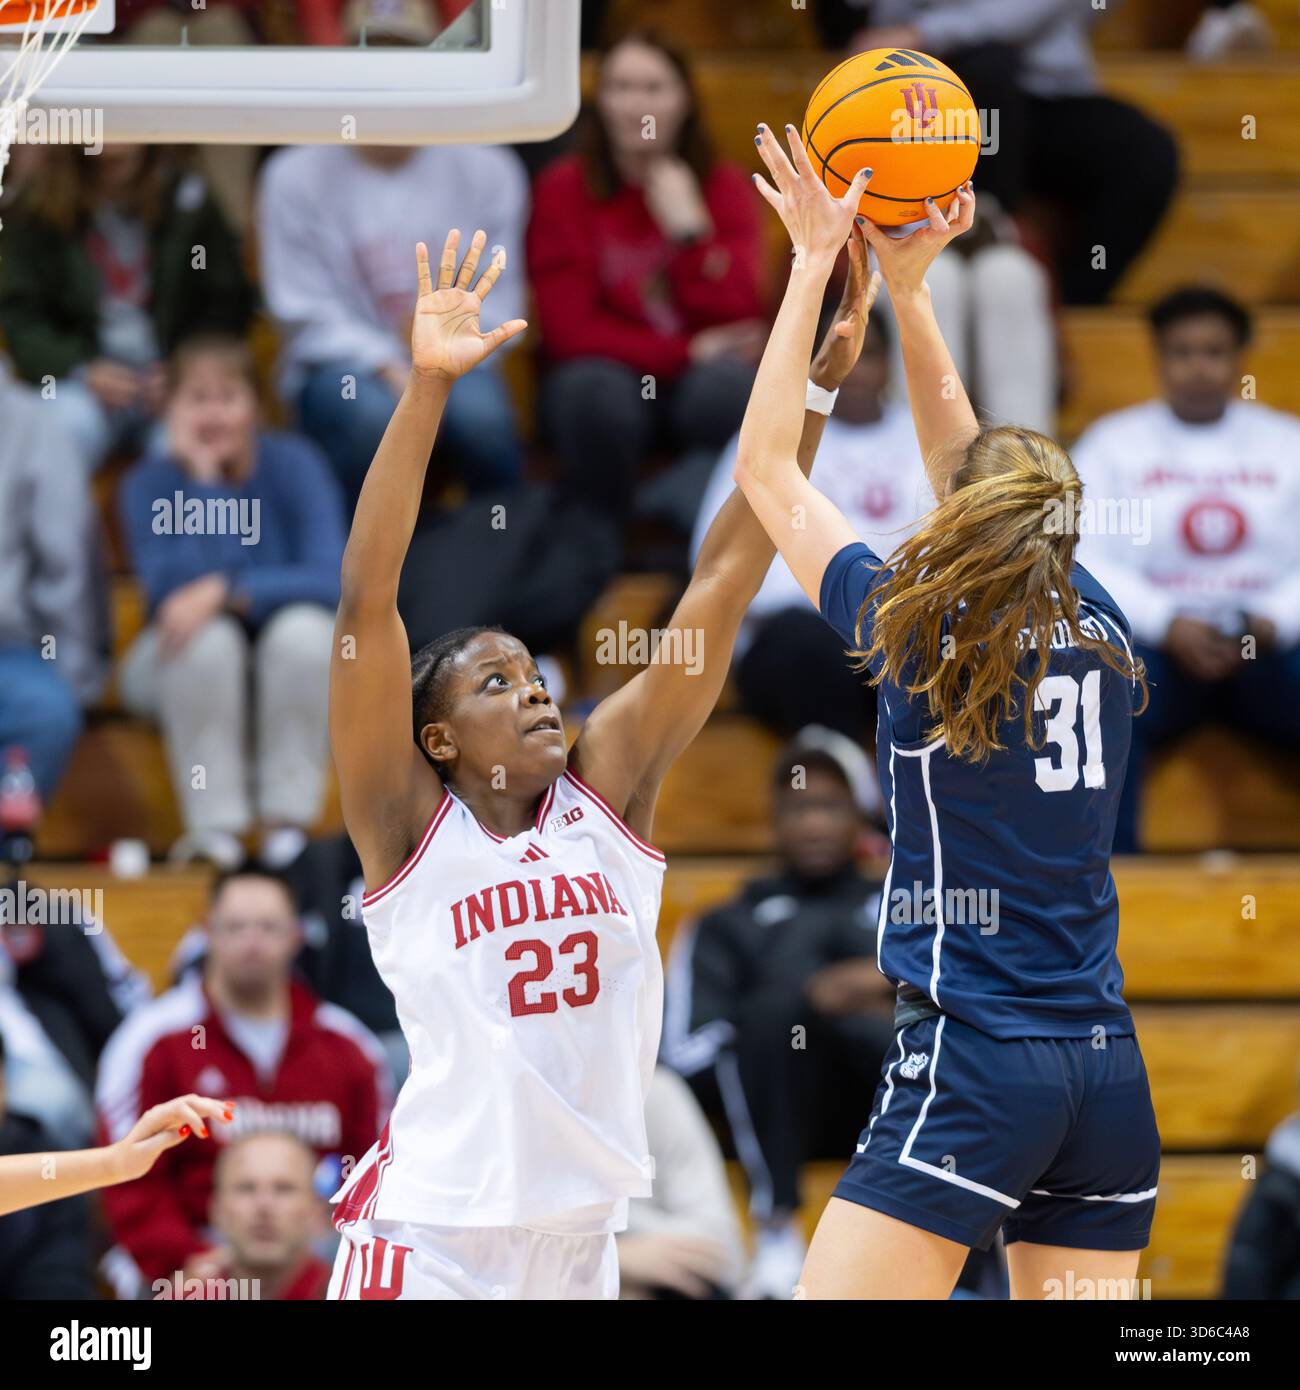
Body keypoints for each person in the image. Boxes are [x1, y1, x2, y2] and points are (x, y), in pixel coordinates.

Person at [325, 214, 877, 1301]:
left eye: (532, 673)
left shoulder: (605, 792)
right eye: (494, 684)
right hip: (431, 1231)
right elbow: (365, 603)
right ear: (437, 740)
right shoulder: (408, 829)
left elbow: (723, 575)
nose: (532, 689)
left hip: (577, 1241)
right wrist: (429, 388)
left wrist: (808, 389)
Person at [734, 124, 1157, 1299]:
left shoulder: (914, 629)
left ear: (961, 527)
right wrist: (915, 298)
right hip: (1102, 1071)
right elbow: (968, 470)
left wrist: (818, 263)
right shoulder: (1103, 617)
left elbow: (769, 471)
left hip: (974, 1062)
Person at [257, 14, 528, 512]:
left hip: (460, 358)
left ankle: (498, 557)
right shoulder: (293, 173)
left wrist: (441, 359)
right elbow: (301, 310)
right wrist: (387, 362)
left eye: (405, 66)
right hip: (346, 365)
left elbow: (503, 299)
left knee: (483, 419)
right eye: (374, 64)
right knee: (370, 415)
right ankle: (357, 570)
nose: (390, 85)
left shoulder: (490, 168)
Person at [663, 733, 892, 1297]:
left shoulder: (900, 909)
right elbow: (687, 1054)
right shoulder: (726, 923)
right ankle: (776, 1230)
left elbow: (964, 998)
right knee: (773, 1017)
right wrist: (803, 1004)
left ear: (860, 816)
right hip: (769, 1112)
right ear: (774, 820)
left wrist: (883, 979)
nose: (814, 824)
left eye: (830, 806)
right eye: (799, 807)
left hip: (878, 1103)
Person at [1072, 287, 1300, 853]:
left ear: (1240, 357)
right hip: (1155, 652)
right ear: (1159, 356)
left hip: (1265, 647)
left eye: (1214, 351)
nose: (1199, 367)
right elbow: (1079, 556)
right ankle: (1112, 883)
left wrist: (1268, 620)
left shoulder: (1286, 444)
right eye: (1182, 352)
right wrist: (1165, 620)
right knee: (1099, 691)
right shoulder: (1113, 445)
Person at [95, 864, 391, 1296]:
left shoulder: (349, 1046)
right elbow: (124, 1171)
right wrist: (183, 1258)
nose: (252, 942)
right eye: (235, 927)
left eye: (268, 927)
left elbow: (378, 1172)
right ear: (207, 933)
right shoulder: (152, 1041)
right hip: (193, 1251)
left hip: (320, 1247)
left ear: (295, 936)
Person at [527, 30, 766, 546]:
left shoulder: (722, 187)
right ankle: (603, 536)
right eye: (621, 87)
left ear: (684, 100)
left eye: (655, 87)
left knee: (729, 388)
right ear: (599, 102)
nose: (638, 104)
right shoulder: (564, 188)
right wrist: (686, 350)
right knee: (592, 392)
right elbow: (568, 332)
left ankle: (697, 527)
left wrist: (691, 235)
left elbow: (743, 313)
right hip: (610, 379)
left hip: (694, 388)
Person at [117, 336, 346, 870]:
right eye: (197, 398)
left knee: (304, 634)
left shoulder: (296, 464)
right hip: (179, 664)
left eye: (227, 396)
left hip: (287, 661)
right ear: (170, 410)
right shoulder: (147, 485)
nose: (213, 412)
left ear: (257, 408)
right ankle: (214, 833)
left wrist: (230, 591)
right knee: (206, 641)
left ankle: (285, 829)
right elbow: (171, 596)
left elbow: (332, 579)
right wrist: (202, 482)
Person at [814, 0, 1179, 306]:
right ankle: (982, 227)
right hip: (923, 99)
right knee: (988, 70)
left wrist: (929, 32)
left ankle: (1064, 301)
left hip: (1042, 95)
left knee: (1146, 153)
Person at [692, 310, 929, 745]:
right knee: (809, 647)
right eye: (845, 357)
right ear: (816, 365)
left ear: (890, 366)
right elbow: (718, 559)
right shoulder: (769, 439)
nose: (857, 371)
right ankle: (841, 774)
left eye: (870, 356)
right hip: (797, 639)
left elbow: (948, 552)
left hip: (901, 633)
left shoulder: (921, 438)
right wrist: (858, 600)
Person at [0, 145, 254, 474]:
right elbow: (23, 317)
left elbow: (225, 303)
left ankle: (179, 523)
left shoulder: (188, 199)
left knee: (190, 440)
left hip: (171, 381)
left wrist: (186, 369)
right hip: (80, 383)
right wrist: (81, 369)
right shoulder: (37, 205)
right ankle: (65, 529)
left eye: (124, 153)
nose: (113, 155)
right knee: (63, 428)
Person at [0, 369, 105, 814]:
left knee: (47, 710)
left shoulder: (34, 427)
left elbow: (67, 567)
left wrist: (72, 673)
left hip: (10, 650)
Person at [617, 1065, 745, 1300]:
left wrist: (602, 1245)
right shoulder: (531, 1103)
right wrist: (614, 1258)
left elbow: (721, 1247)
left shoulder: (654, 1090)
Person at [187, 1131, 333, 1300]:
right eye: (246, 1188)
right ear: (216, 1209)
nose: (264, 1205)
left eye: (283, 1188)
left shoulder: (349, 1293)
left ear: (316, 1209)